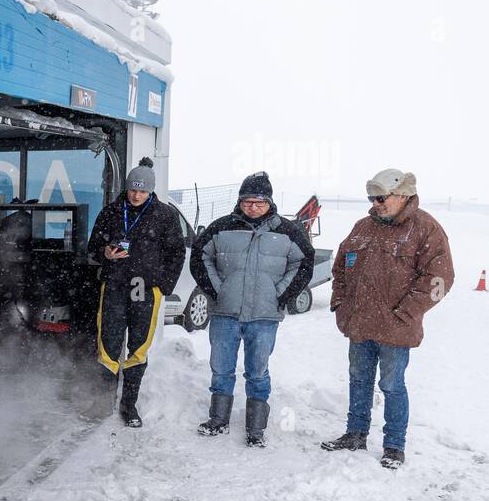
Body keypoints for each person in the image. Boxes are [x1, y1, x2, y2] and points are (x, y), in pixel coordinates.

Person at [320, 169, 453, 469]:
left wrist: (405, 313)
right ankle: (355, 433)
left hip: (396, 330)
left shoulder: (425, 228)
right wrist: (340, 304)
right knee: (358, 381)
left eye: (381, 197)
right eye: (372, 197)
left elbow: (440, 278)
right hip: (360, 325)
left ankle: (394, 445)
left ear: (403, 194)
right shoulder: (362, 227)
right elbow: (340, 269)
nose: (375, 203)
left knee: (392, 386)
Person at [191, 172, 315, 446]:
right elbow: (200, 256)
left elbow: (304, 263)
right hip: (225, 313)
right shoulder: (221, 227)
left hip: (264, 316)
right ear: (240, 201)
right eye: (247, 201)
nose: (253, 207)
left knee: (257, 371)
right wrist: (218, 289)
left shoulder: (287, 231)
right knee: (221, 368)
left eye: (259, 202)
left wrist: (280, 293)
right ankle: (218, 419)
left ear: (269, 202)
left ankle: (255, 427)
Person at [87, 157, 185, 427]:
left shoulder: (165, 215)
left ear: (151, 190)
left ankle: (128, 405)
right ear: (127, 188)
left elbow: (177, 254)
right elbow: (92, 246)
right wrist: (104, 253)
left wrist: (163, 286)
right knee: (108, 345)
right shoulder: (111, 211)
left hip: (146, 289)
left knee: (138, 347)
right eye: (133, 189)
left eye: (142, 191)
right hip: (115, 286)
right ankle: (102, 401)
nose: (137, 195)